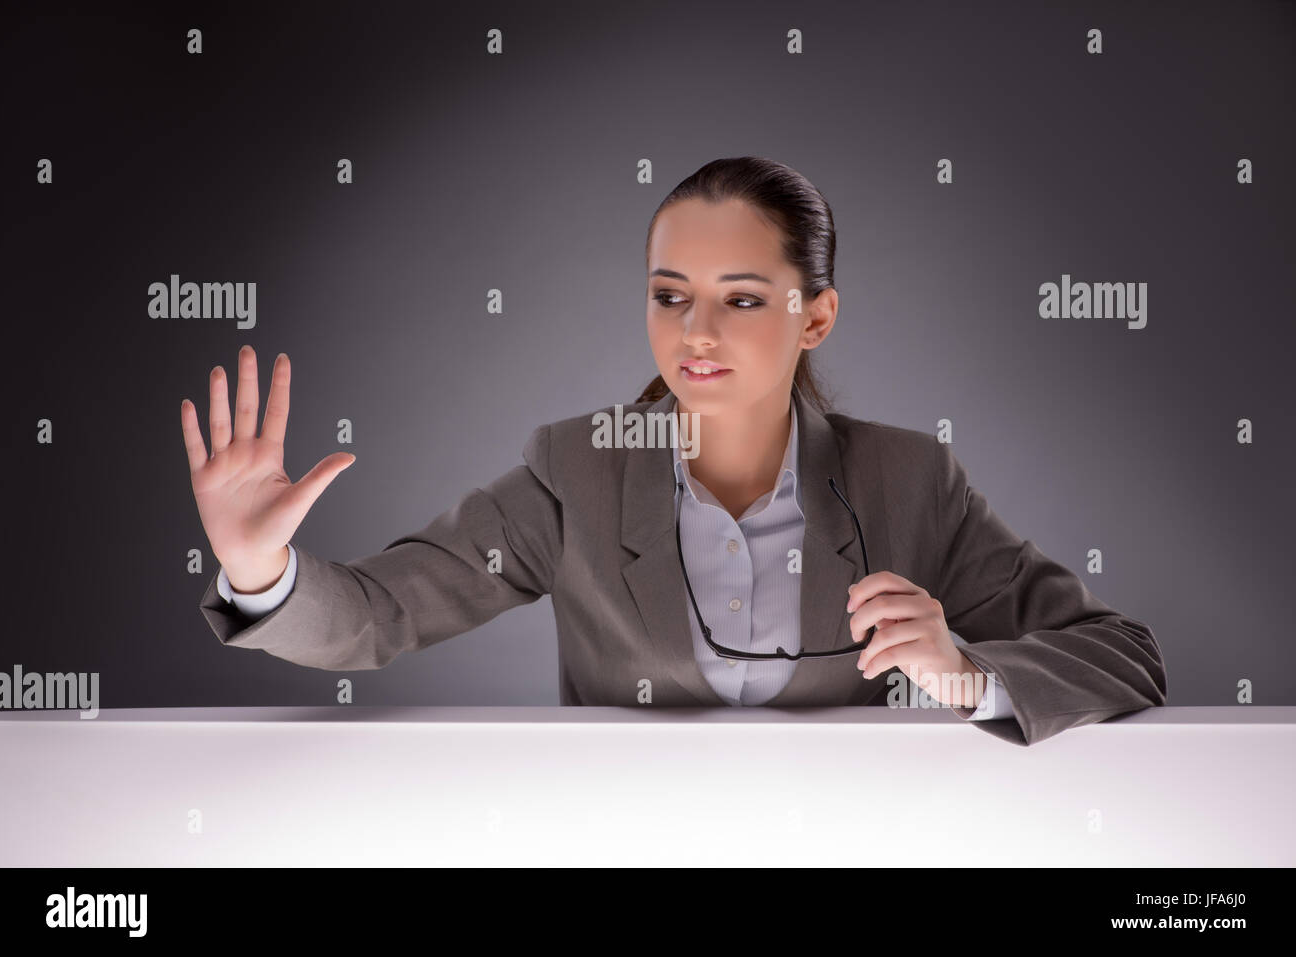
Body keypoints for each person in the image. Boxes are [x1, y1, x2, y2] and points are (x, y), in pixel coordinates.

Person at [181, 157, 1167, 746]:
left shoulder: (910, 482)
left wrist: (965, 673)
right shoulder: (577, 470)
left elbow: (1123, 659)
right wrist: (258, 569)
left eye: (740, 298)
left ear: (814, 316)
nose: (695, 330)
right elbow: (376, 617)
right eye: (668, 294)